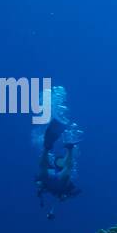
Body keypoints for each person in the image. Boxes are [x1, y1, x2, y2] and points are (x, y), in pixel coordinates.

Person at [35, 85, 82, 216]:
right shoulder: (65, 189)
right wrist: (66, 195)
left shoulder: (57, 189)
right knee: (64, 173)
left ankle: (48, 147)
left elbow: (38, 180)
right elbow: (74, 190)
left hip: (53, 180)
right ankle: (68, 148)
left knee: (47, 172)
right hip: (57, 181)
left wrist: (40, 186)